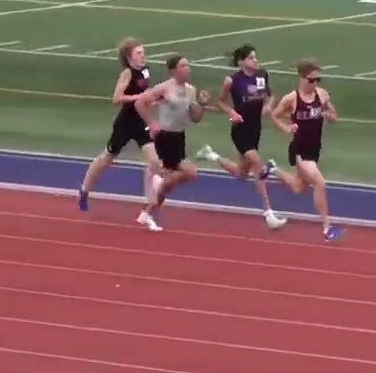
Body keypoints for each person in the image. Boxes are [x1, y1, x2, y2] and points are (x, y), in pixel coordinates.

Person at [196, 44, 288, 230]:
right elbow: (220, 102)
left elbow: (270, 96)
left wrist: (268, 105)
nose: (256, 60)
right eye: (251, 58)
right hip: (240, 130)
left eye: (256, 57)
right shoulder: (232, 80)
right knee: (257, 163)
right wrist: (232, 112)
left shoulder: (262, 75)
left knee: (241, 173)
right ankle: (269, 213)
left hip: (256, 129)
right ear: (241, 62)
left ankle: (210, 155)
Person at [77, 38, 162, 211]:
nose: (143, 55)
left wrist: (154, 99)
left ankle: (149, 204)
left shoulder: (145, 71)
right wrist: (138, 98)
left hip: (140, 122)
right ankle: (84, 190)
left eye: (143, 52)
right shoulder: (127, 73)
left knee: (155, 162)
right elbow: (117, 98)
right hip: (125, 123)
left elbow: (145, 93)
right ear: (129, 57)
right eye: (139, 53)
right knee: (106, 159)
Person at [268, 60, 342, 242]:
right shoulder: (292, 99)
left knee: (299, 187)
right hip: (299, 149)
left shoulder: (322, 95)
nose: (315, 83)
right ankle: (327, 228)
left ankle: (272, 169)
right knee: (319, 183)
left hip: (314, 149)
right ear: (302, 78)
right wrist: (286, 128)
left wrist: (328, 116)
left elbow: (334, 116)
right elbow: (274, 116)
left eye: (318, 80)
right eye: (311, 80)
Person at [130, 55, 204, 232]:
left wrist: (202, 104)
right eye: (183, 65)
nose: (188, 68)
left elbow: (196, 118)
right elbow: (140, 102)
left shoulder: (191, 90)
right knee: (190, 173)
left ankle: (148, 212)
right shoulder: (164, 87)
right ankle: (150, 206)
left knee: (171, 180)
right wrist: (151, 123)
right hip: (164, 136)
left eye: (188, 65)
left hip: (179, 137)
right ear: (173, 70)